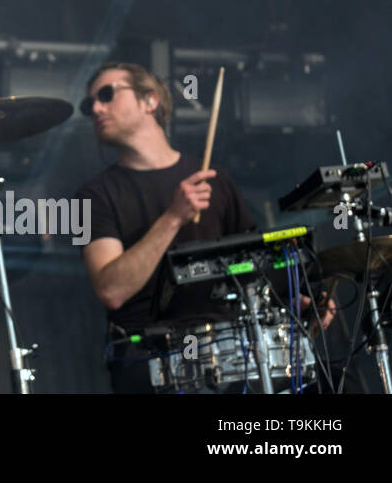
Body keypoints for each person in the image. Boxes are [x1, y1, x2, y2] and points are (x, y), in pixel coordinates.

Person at [75, 62, 333, 393]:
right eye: (89, 103)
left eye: (106, 95)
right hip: (149, 358)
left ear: (149, 100)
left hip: (232, 350)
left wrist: (296, 300)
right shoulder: (89, 197)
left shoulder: (214, 178)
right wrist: (173, 217)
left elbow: (253, 268)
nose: (96, 107)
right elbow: (110, 290)